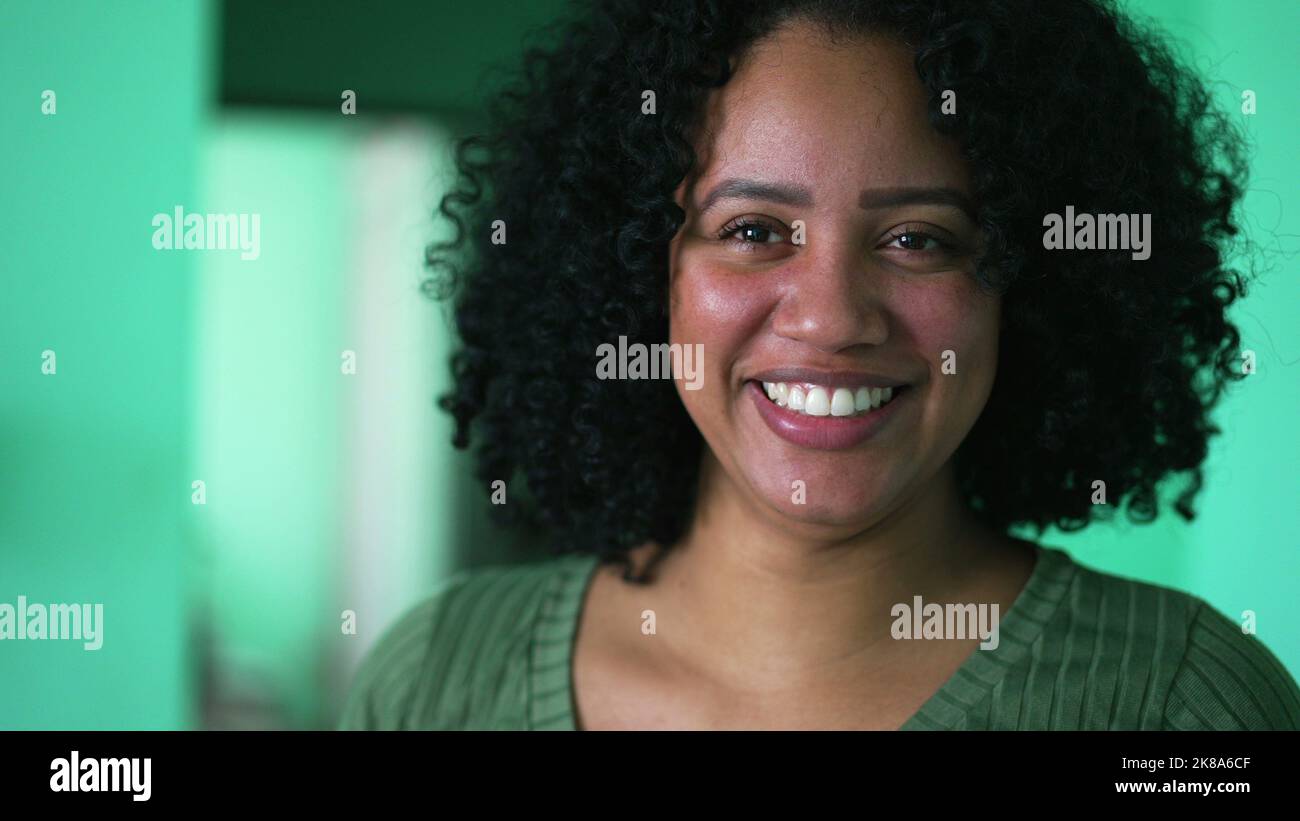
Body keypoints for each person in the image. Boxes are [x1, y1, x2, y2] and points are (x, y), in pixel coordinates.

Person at [339, 0, 1300, 730]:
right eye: (754, 230)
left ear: (1028, 286)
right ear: (636, 273)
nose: (832, 317)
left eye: (921, 238)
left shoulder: (1179, 706)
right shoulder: (436, 677)